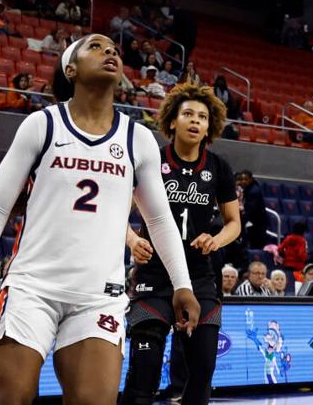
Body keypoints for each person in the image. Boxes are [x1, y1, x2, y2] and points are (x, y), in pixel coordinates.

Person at [0, 34, 198, 405]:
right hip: (33, 288)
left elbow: (159, 220)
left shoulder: (137, 138)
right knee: (8, 399)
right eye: (95, 46)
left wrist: (182, 285)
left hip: (98, 296)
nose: (109, 51)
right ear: (70, 68)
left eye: (113, 48)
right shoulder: (42, 125)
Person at [123, 83, 239, 405]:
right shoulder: (150, 161)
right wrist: (132, 239)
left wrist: (215, 240)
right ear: (172, 121)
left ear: (209, 126)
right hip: (153, 276)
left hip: (200, 276)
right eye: (187, 113)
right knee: (143, 373)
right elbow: (117, 211)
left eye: (202, 117)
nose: (195, 121)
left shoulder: (219, 167)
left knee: (202, 371)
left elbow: (234, 223)